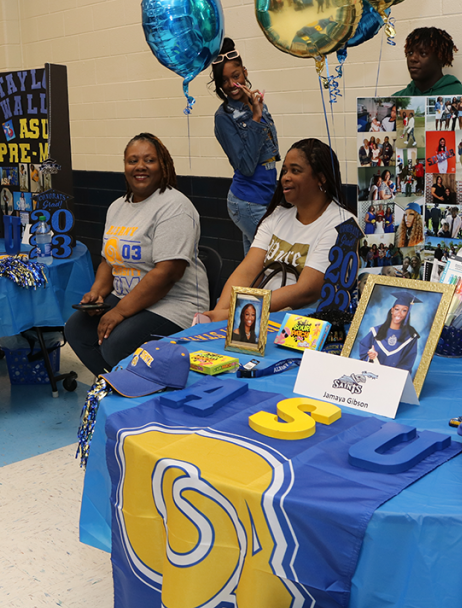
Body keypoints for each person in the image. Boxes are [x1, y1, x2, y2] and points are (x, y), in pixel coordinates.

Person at [65, 133, 207, 376]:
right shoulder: (117, 206)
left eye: (149, 160)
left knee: (116, 344)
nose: (140, 166)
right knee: (77, 330)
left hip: (174, 304)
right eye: (133, 161)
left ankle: (139, 389)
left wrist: (119, 312)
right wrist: (97, 293)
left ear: (163, 166)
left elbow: (167, 274)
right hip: (128, 297)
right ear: (125, 166)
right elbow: (108, 261)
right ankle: (118, 387)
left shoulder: (175, 206)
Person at [202, 139, 354, 322]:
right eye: (284, 171)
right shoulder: (277, 216)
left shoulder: (343, 224)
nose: (285, 177)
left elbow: (306, 291)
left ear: (321, 178)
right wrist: (217, 316)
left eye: (295, 171)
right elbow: (247, 272)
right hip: (258, 317)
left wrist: (234, 314)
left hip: (302, 324)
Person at [211, 38, 280, 255]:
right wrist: (256, 119)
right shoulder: (223, 117)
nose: (232, 84)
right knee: (271, 257)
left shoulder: (257, 103)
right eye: (224, 80)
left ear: (245, 72)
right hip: (247, 201)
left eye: (236, 76)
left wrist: (257, 110)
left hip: (266, 196)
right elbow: (247, 167)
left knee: (255, 264)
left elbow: (271, 153)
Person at [393, 27, 462, 96]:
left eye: (423, 53)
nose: (413, 58)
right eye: (410, 53)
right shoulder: (396, 99)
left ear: (441, 57)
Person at [356, 291, 423, 374]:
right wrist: (370, 356)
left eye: (404, 310)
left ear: (407, 313)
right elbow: (364, 349)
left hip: (393, 378)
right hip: (372, 374)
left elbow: (408, 362)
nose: (399, 313)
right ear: (392, 310)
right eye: (397, 309)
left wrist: (391, 375)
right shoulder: (376, 331)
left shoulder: (410, 337)